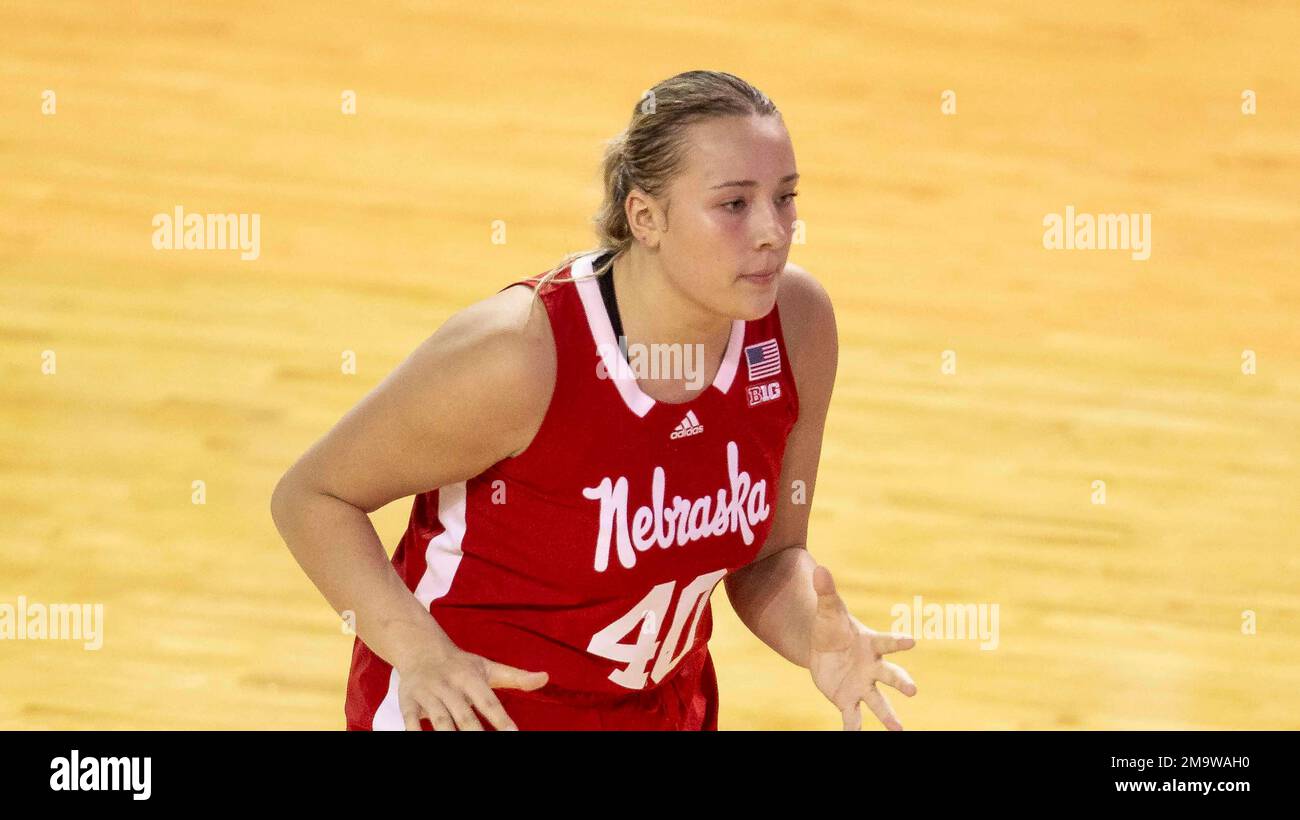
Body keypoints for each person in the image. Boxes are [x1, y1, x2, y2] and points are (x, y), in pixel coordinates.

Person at [270, 70, 917, 731]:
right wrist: (417, 651)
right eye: (733, 204)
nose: (773, 232)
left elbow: (768, 558)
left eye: (785, 198)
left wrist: (817, 640)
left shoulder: (796, 324)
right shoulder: (520, 353)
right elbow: (312, 497)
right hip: (475, 711)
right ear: (645, 217)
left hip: (659, 713)